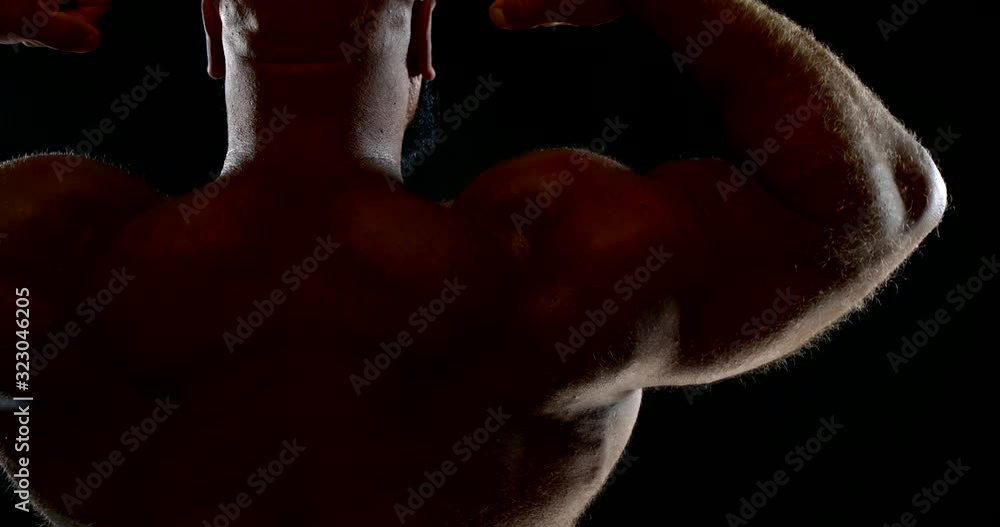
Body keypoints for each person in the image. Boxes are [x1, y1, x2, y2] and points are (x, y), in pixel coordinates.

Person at [0, 0, 946, 526]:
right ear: (421, 41)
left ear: (211, 35)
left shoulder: (44, 254)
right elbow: (877, 204)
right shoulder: (551, 275)